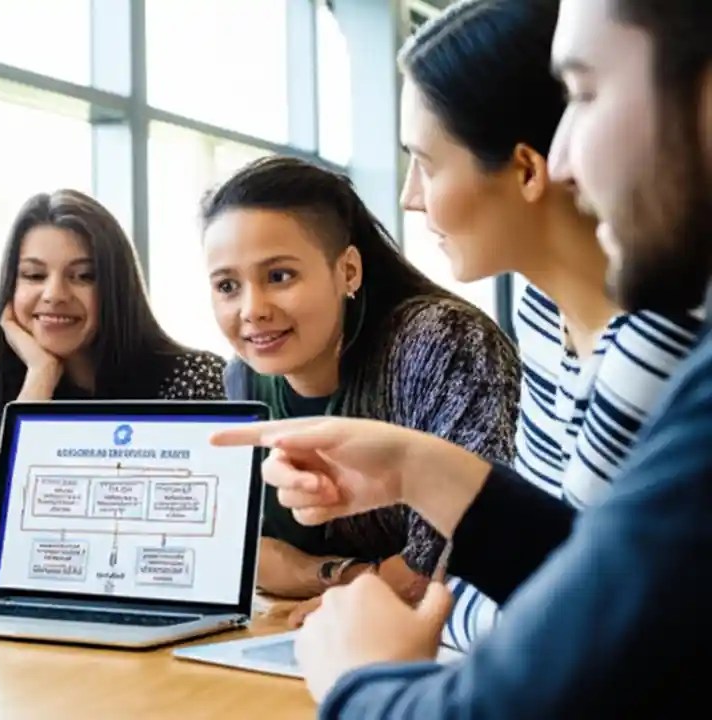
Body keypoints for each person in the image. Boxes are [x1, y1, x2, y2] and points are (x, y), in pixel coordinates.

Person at [212, 0, 712, 714]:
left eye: (589, 95)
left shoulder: (660, 338)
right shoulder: (545, 312)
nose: (564, 154)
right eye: (226, 285)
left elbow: (565, 655)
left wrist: (363, 675)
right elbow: (579, 578)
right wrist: (415, 469)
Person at [397, 0, 703, 648]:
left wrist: (423, 620)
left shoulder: (660, 335)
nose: (409, 196)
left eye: (425, 162)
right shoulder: (541, 312)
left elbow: (564, 621)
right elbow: (522, 574)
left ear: (528, 170)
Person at [202, 156, 518, 626]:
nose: (253, 309)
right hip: (322, 630)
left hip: (454, 639)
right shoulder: (243, 379)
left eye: (279, 276)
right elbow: (244, 551)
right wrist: (351, 577)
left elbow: (449, 551)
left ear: (348, 271)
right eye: (228, 286)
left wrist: (356, 583)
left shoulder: (438, 343)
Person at [0, 189, 227, 580]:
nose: (54, 294)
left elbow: (187, 546)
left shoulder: (195, 379)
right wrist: (36, 390)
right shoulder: (2, 397)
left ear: (116, 289)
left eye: (83, 276)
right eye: (34, 275)